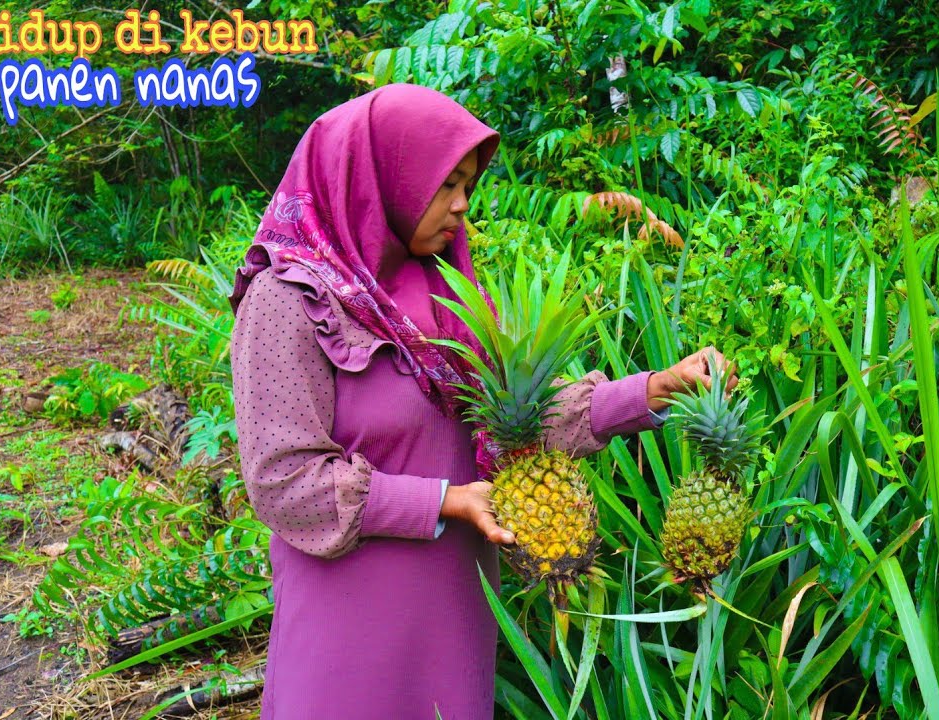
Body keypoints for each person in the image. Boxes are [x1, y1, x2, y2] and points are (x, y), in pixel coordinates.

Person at [228, 83, 737, 720]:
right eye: (447, 184)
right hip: (351, 621)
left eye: (468, 185)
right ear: (383, 175)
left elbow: (520, 417)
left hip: (454, 610)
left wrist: (651, 388)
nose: (462, 205)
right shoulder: (287, 298)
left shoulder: (446, 289)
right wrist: (445, 499)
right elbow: (283, 481)